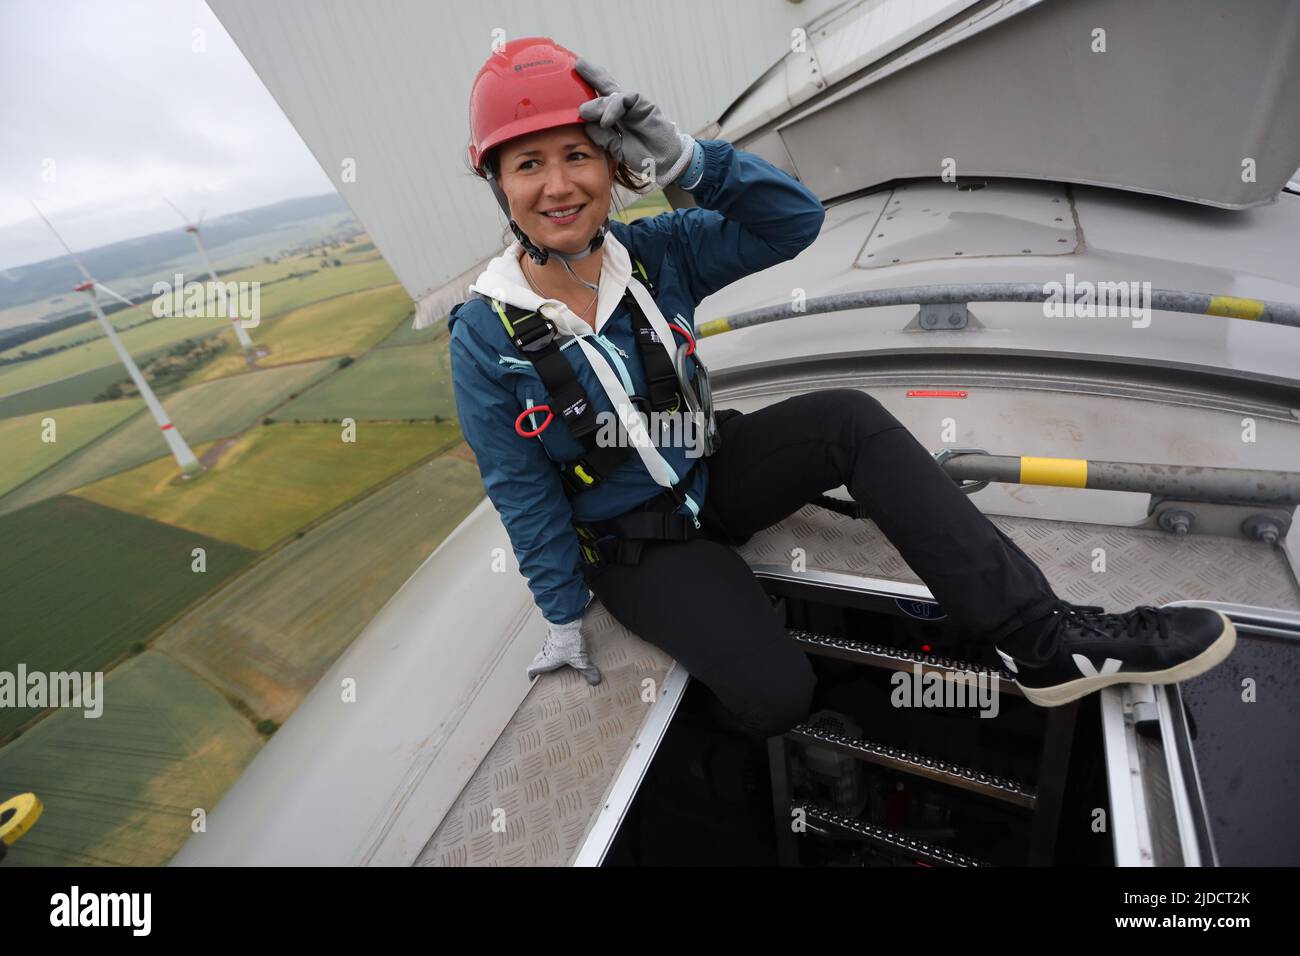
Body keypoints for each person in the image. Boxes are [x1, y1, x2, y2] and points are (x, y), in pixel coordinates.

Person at [448, 37, 1236, 738]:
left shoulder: (655, 252)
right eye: (528, 164)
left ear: (613, 163)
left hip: (709, 466)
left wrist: (690, 161)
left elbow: (791, 221)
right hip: (636, 545)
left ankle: (1042, 640)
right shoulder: (487, 335)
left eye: (577, 156)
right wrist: (560, 612)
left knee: (848, 420)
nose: (559, 186)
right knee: (777, 697)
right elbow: (521, 487)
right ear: (496, 182)